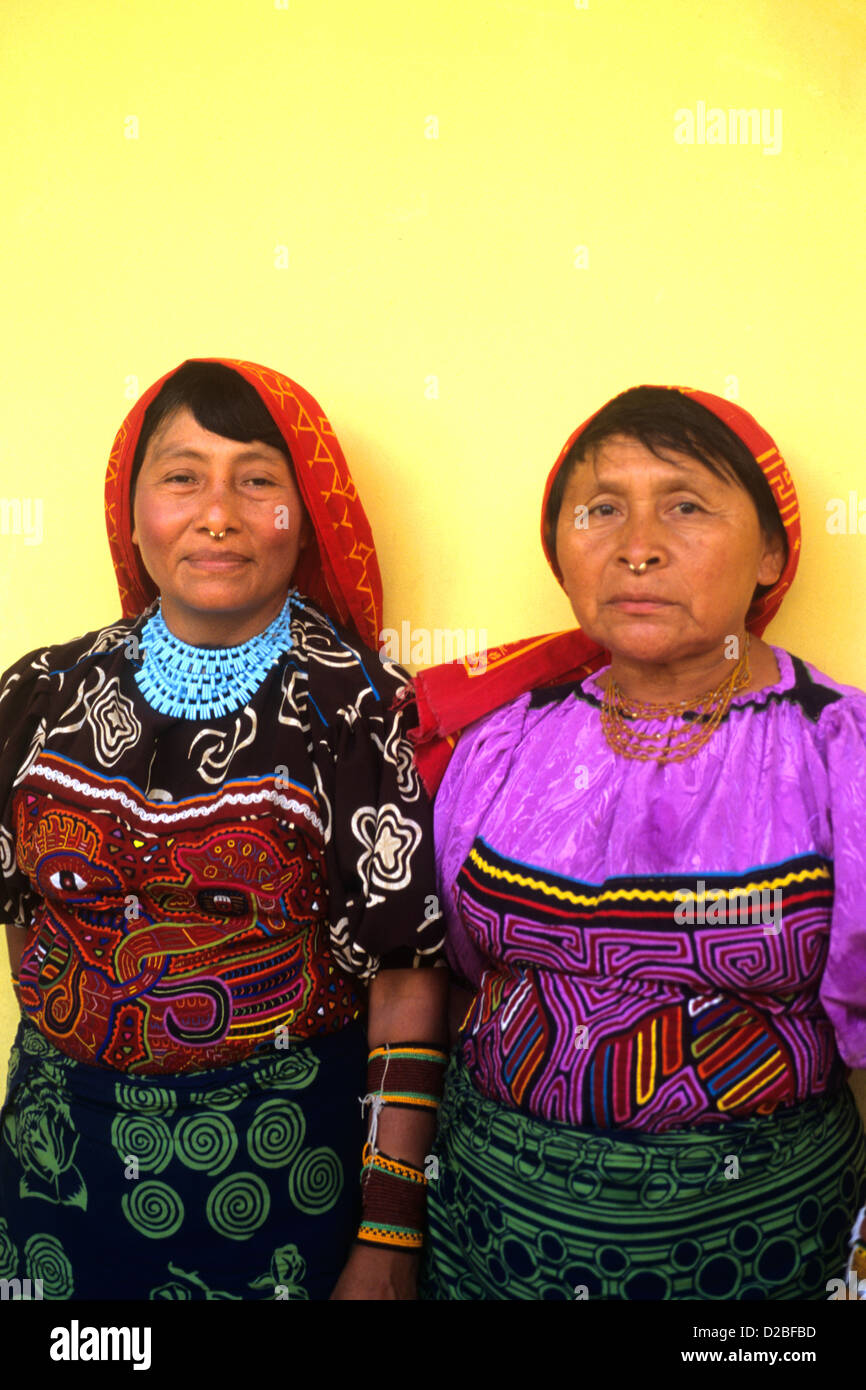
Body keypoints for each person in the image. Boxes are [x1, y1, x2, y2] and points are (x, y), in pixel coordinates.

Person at [0, 357, 448, 1301]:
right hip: (56, 1162)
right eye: (181, 476)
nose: (219, 512)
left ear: (304, 515)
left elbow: (408, 976)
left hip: (281, 1172)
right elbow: (18, 904)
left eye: (256, 479)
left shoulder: (359, 709)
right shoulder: (38, 693)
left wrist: (389, 1231)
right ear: (131, 513)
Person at [413, 384, 866, 1301]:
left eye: (686, 505)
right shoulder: (501, 742)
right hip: (492, 1233)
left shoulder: (836, 752)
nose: (638, 545)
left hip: (759, 1250)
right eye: (600, 510)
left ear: (773, 550)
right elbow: (459, 969)